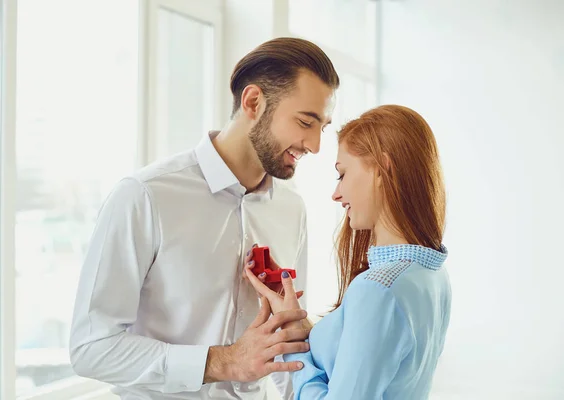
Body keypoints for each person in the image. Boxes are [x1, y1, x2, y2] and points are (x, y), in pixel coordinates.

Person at [68, 37, 339, 399]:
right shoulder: (145, 195)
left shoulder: (292, 209)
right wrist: (223, 362)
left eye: (323, 126)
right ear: (254, 103)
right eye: (306, 122)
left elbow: (285, 345)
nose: (315, 145)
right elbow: (91, 347)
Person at [245, 105, 451, 399]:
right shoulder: (432, 274)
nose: (336, 193)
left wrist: (297, 358)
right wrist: (300, 326)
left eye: (341, 175)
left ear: (382, 169)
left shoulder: (377, 289)